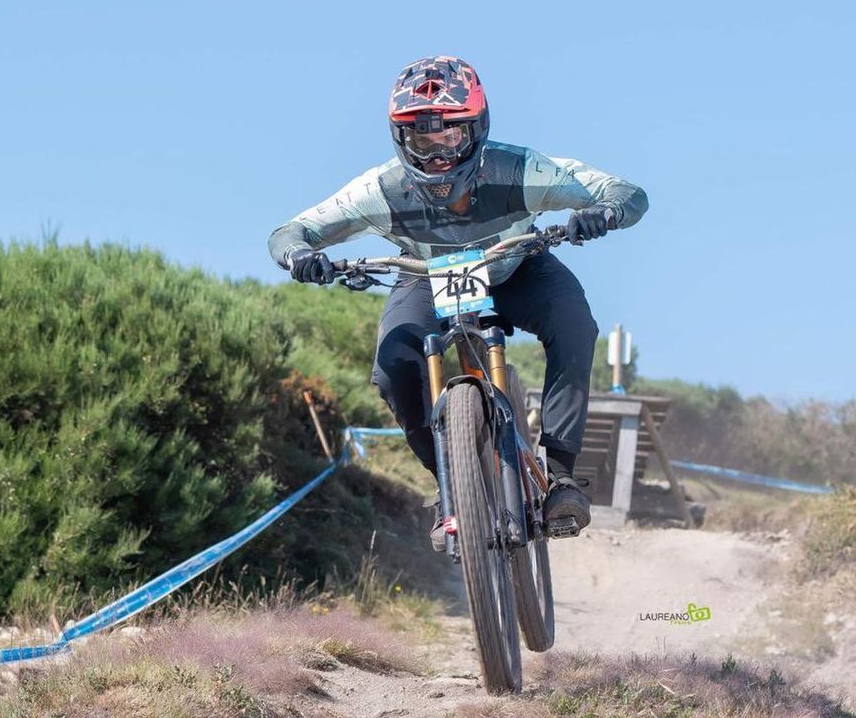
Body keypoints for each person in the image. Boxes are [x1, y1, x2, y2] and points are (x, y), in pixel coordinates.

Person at [268, 56, 648, 548]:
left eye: (452, 136)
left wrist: (604, 212)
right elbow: (289, 232)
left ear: (478, 128)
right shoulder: (379, 191)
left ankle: (561, 474)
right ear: (400, 140)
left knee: (574, 321)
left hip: (517, 266)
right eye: (422, 140)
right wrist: (301, 255)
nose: (439, 155)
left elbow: (626, 192)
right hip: (427, 274)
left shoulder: (524, 171)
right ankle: (449, 485)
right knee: (392, 368)